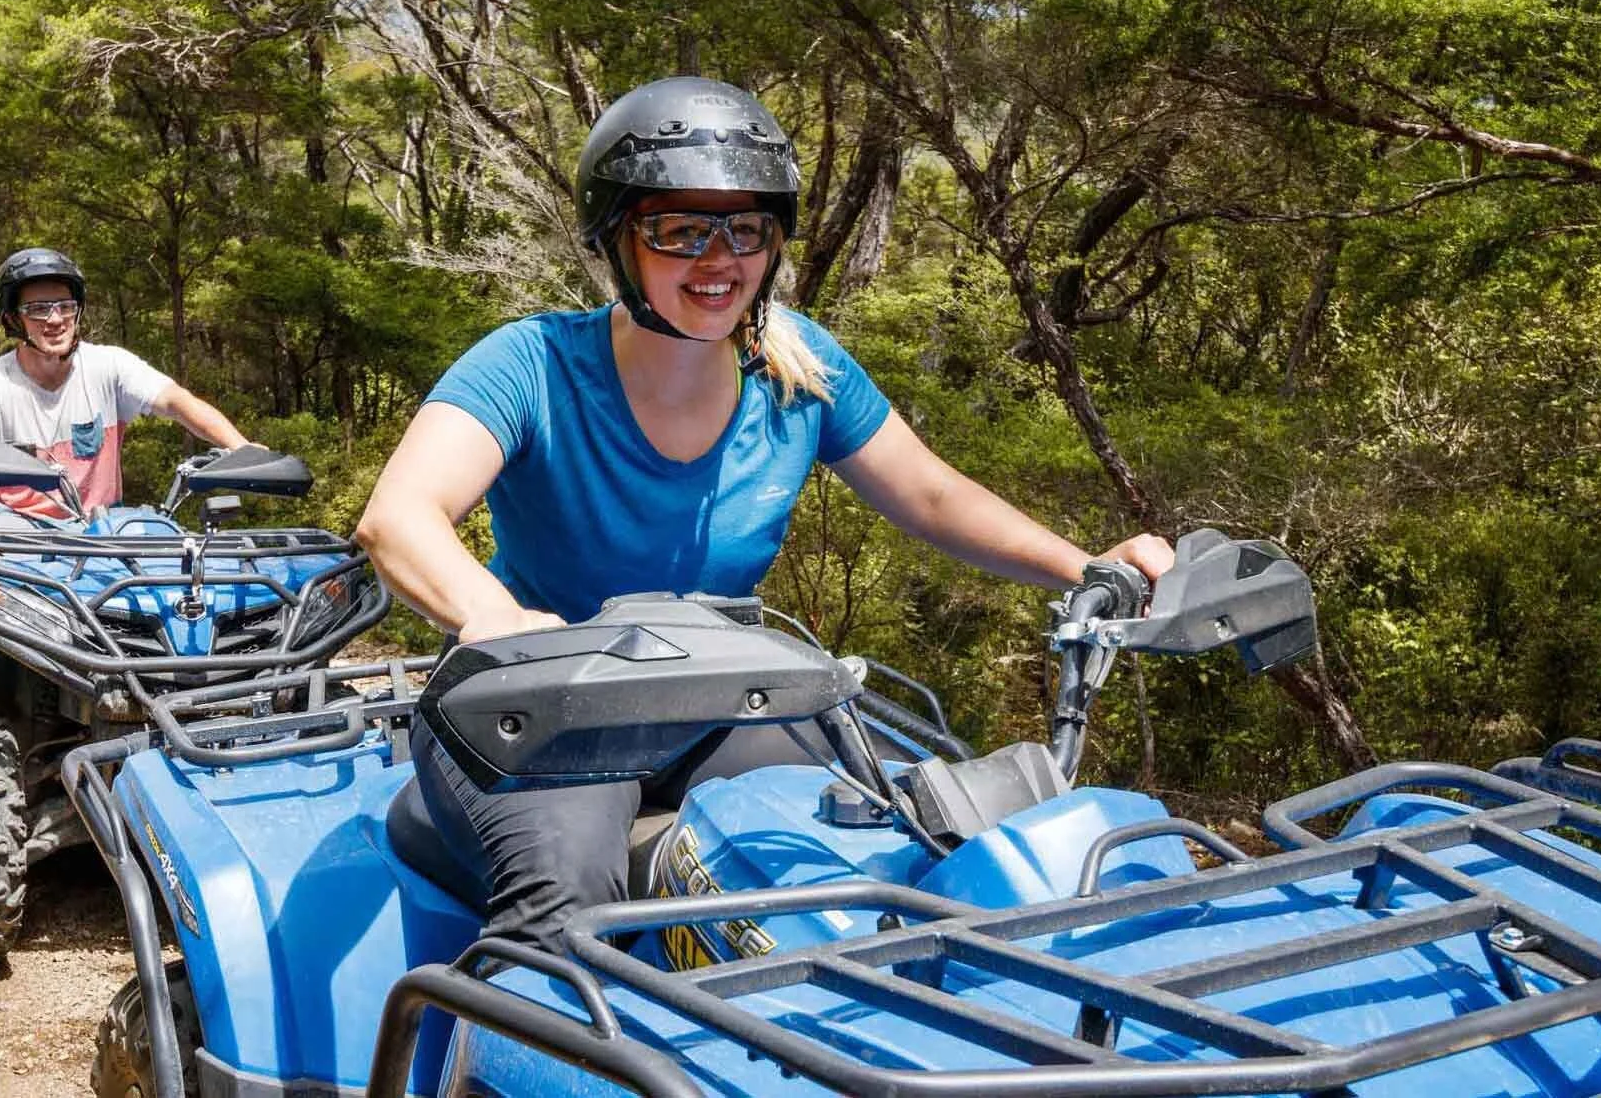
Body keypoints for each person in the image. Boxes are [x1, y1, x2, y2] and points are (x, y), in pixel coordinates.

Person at [353, 76, 1177, 951]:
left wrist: (1089, 568)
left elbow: (932, 494)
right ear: (617, 239)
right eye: (679, 228)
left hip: (722, 694)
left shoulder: (798, 370)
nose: (718, 258)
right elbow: (399, 515)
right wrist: (498, 619)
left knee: (896, 851)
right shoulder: (533, 362)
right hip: (540, 706)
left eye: (745, 228)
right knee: (567, 915)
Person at [0, 247, 251, 518]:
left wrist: (244, 450)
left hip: (102, 528)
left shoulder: (109, 365)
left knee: (174, 562)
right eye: (38, 309)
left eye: (65, 306)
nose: (55, 320)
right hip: (15, 528)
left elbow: (176, 401)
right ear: (13, 320)